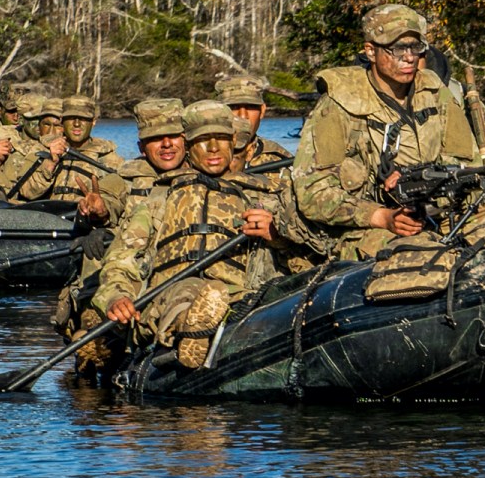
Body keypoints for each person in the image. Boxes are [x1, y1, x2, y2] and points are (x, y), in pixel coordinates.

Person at [92, 100, 290, 369]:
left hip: (246, 300)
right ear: (187, 144)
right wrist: (117, 297)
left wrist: (277, 235)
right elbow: (120, 261)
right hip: (172, 299)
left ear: (233, 141)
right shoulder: (160, 199)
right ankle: (191, 331)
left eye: (220, 138)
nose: (213, 149)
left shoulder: (267, 199)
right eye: (202, 140)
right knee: (191, 290)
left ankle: (216, 323)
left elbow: (305, 261)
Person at [292, 4, 481, 260]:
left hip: (439, 214)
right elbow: (312, 193)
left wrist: (433, 186)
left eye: (415, 47)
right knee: (418, 252)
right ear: (370, 50)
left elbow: (469, 163)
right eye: (397, 49)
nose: (409, 57)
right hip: (362, 229)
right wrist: (380, 216)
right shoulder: (339, 103)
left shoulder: (437, 94)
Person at [59, 97, 186, 378]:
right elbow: (107, 199)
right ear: (142, 147)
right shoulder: (125, 177)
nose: (166, 145)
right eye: (156, 139)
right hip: (123, 286)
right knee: (91, 350)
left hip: (175, 283)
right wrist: (99, 213)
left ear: (186, 139)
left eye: (173, 136)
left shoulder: (202, 176)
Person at [17, 94, 126, 204]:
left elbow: (118, 201)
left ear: (93, 122)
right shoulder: (42, 149)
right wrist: (49, 165)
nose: (77, 124)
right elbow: (26, 193)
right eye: (70, 118)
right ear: (61, 120)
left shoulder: (108, 157)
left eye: (83, 118)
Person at [216, 75, 292, 170]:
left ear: (262, 110)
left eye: (250, 106)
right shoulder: (197, 158)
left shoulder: (281, 159)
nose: (243, 115)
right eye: (234, 107)